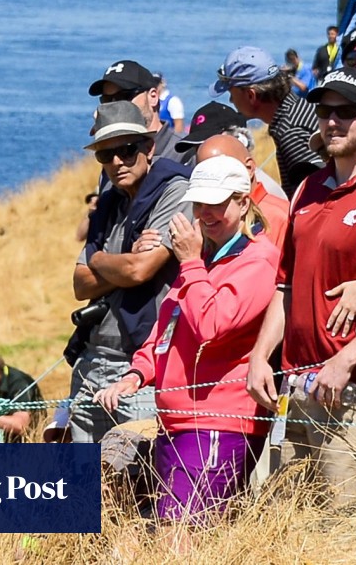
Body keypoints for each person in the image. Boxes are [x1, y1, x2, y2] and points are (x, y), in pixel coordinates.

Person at [246, 68, 356, 504]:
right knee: (271, 514)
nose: (332, 122)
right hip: (296, 388)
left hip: (355, 392)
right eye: (325, 111)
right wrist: (259, 358)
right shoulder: (308, 188)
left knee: (346, 526)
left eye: (346, 112)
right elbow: (284, 288)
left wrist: (344, 362)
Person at [95, 155, 278, 537]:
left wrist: (192, 263)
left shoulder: (257, 260)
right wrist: (138, 372)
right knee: (171, 535)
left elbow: (213, 325)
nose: (206, 213)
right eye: (199, 204)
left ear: (243, 201)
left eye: (217, 203)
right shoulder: (202, 261)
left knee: (182, 539)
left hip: (218, 425)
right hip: (177, 424)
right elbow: (168, 328)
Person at [71, 101, 191, 443]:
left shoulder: (174, 191)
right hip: (92, 358)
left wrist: (99, 260)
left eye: (126, 149)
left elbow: (141, 270)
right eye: (105, 155)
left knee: (136, 480)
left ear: (148, 146)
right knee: (86, 482)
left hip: (139, 365)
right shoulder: (110, 204)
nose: (117, 162)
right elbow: (79, 285)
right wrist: (121, 259)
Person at [210, 46, 325, 197]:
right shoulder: (299, 109)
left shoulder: (290, 132)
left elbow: (313, 202)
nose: (231, 100)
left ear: (251, 95)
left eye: (231, 93)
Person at [193, 135, 290, 248]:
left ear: (249, 168)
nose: (209, 180)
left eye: (220, 171)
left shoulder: (279, 217)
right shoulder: (208, 219)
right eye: (201, 173)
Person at [88, 60, 187, 165]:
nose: (116, 106)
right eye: (107, 100)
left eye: (124, 97)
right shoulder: (113, 157)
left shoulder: (183, 152)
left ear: (153, 97)